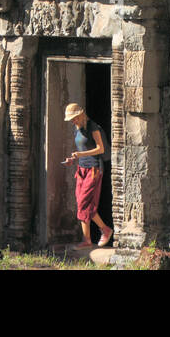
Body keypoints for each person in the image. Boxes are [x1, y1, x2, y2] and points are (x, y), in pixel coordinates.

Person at [64, 102, 113, 248]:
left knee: (84, 203)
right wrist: (73, 159)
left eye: (75, 118)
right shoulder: (77, 129)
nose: (73, 121)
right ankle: (91, 237)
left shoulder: (92, 126)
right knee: (82, 203)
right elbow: (81, 148)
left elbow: (100, 148)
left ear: (81, 115)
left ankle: (101, 231)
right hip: (81, 169)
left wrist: (81, 154)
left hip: (94, 168)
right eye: (71, 119)